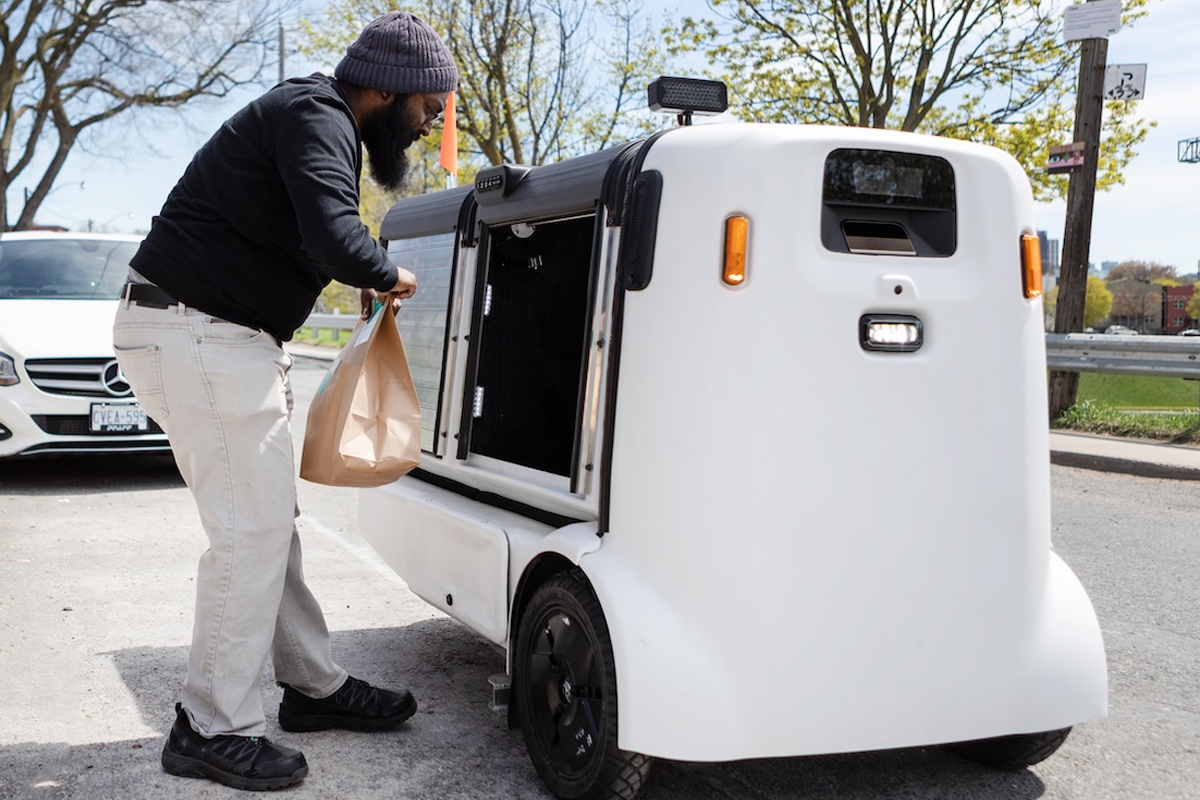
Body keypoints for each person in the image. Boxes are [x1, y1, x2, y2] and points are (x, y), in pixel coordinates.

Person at [111, 12, 456, 791]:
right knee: (251, 531)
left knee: (268, 524)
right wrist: (388, 273)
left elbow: (308, 228)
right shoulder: (316, 114)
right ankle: (210, 727)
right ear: (388, 88)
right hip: (200, 332)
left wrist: (357, 268)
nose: (432, 121)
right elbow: (334, 232)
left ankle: (311, 686)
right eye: (429, 104)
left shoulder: (316, 118)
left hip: (213, 334)